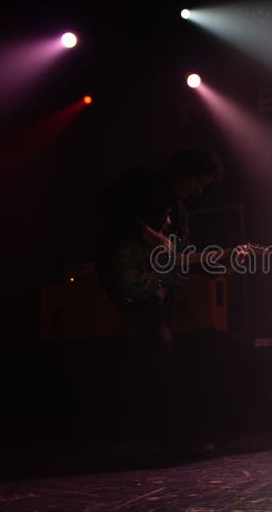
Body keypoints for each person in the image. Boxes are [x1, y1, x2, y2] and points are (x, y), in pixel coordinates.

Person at [95, 147, 223, 456]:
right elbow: (106, 206)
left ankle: (144, 433)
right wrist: (147, 233)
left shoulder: (181, 213)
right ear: (182, 174)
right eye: (199, 183)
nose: (199, 190)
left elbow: (179, 259)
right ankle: (168, 437)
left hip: (153, 284)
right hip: (123, 271)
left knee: (156, 349)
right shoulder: (143, 182)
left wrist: (219, 264)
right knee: (157, 346)